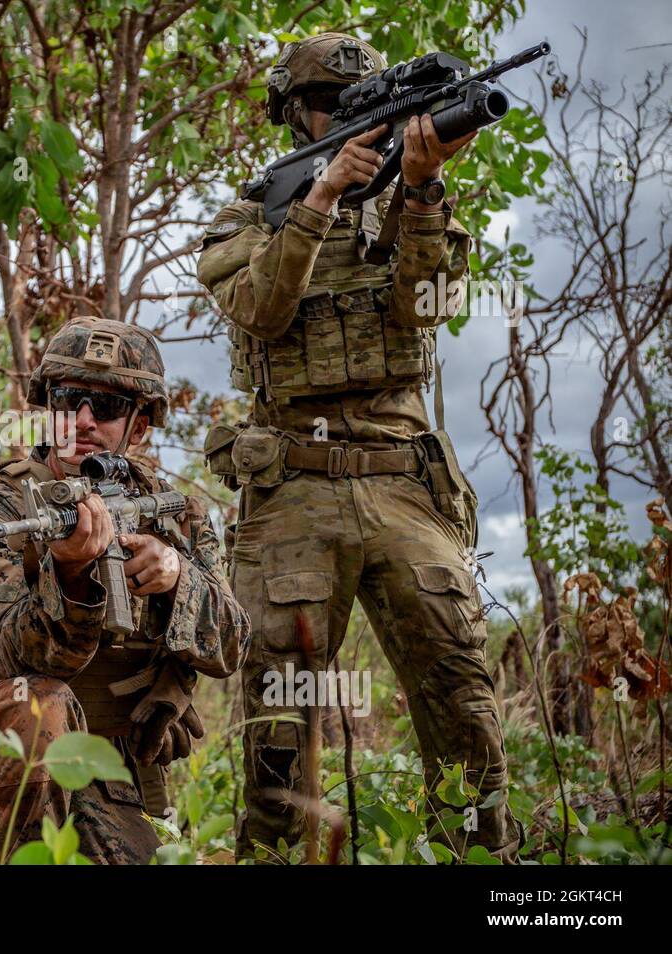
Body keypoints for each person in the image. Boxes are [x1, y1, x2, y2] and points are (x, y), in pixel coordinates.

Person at [196, 32, 519, 861]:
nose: (345, 121)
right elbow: (260, 310)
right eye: (330, 109)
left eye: (360, 106)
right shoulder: (250, 213)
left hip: (403, 482)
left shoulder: (416, 200)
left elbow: (430, 310)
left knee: (464, 712)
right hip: (294, 485)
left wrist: (422, 191)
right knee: (277, 730)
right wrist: (319, 203)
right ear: (296, 117)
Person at [0, 317, 245, 863]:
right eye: (70, 399)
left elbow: (234, 644)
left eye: (110, 407)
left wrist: (176, 579)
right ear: (46, 405)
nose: (84, 420)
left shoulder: (175, 515)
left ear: (140, 426)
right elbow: (17, 656)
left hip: (114, 774)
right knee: (36, 703)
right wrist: (71, 577)